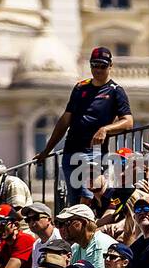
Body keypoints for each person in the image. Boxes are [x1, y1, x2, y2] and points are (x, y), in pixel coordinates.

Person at [36, 45, 134, 203]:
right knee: (74, 202)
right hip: (71, 151)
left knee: (87, 198)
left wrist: (105, 129)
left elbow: (128, 122)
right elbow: (65, 120)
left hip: (93, 152)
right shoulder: (80, 87)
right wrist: (47, 150)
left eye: (102, 65)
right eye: (95, 65)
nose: (98, 70)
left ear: (110, 66)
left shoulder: (115, 91)